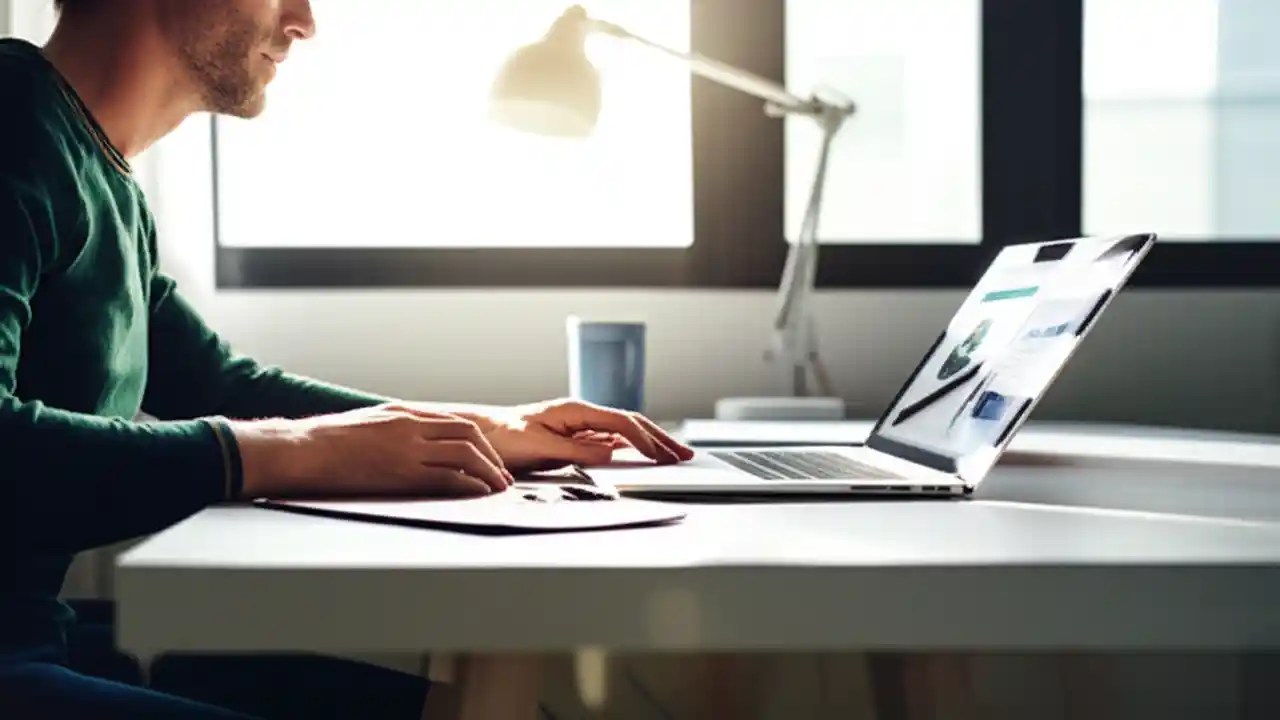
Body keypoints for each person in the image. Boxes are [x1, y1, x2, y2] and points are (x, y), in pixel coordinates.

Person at [0, 0, 694, 717]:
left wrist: (486, 430)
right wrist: (300, 450)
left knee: (465, 708)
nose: (303, 20)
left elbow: (214, 384)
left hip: (42, 638)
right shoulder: (13, 119)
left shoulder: (102, 177)